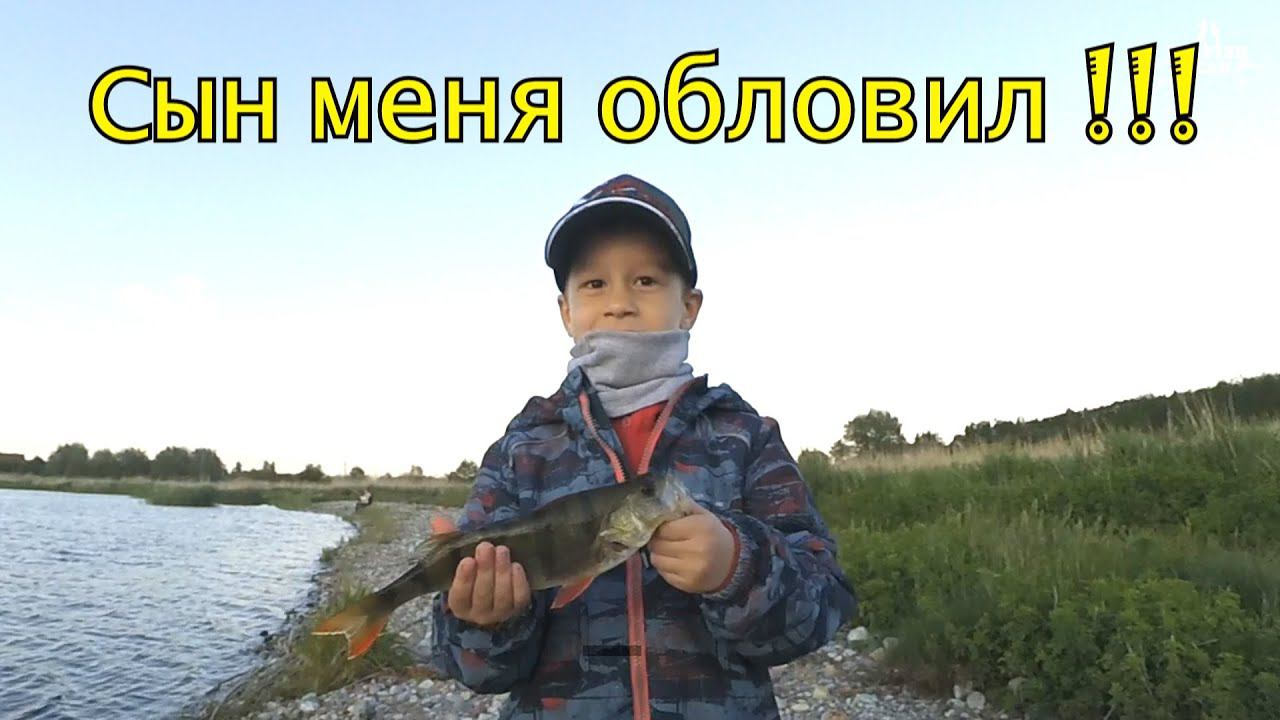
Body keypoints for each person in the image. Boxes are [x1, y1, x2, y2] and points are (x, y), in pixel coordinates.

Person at [428, 174, 857, 719]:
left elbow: (825, 608)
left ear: (690, 306)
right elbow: (474, 670)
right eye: (594, 284)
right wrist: (484, 621)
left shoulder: (744, 437)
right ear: (565, 311)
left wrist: (737, 566)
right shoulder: (524, 448)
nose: (620, 303)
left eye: (647, 280)